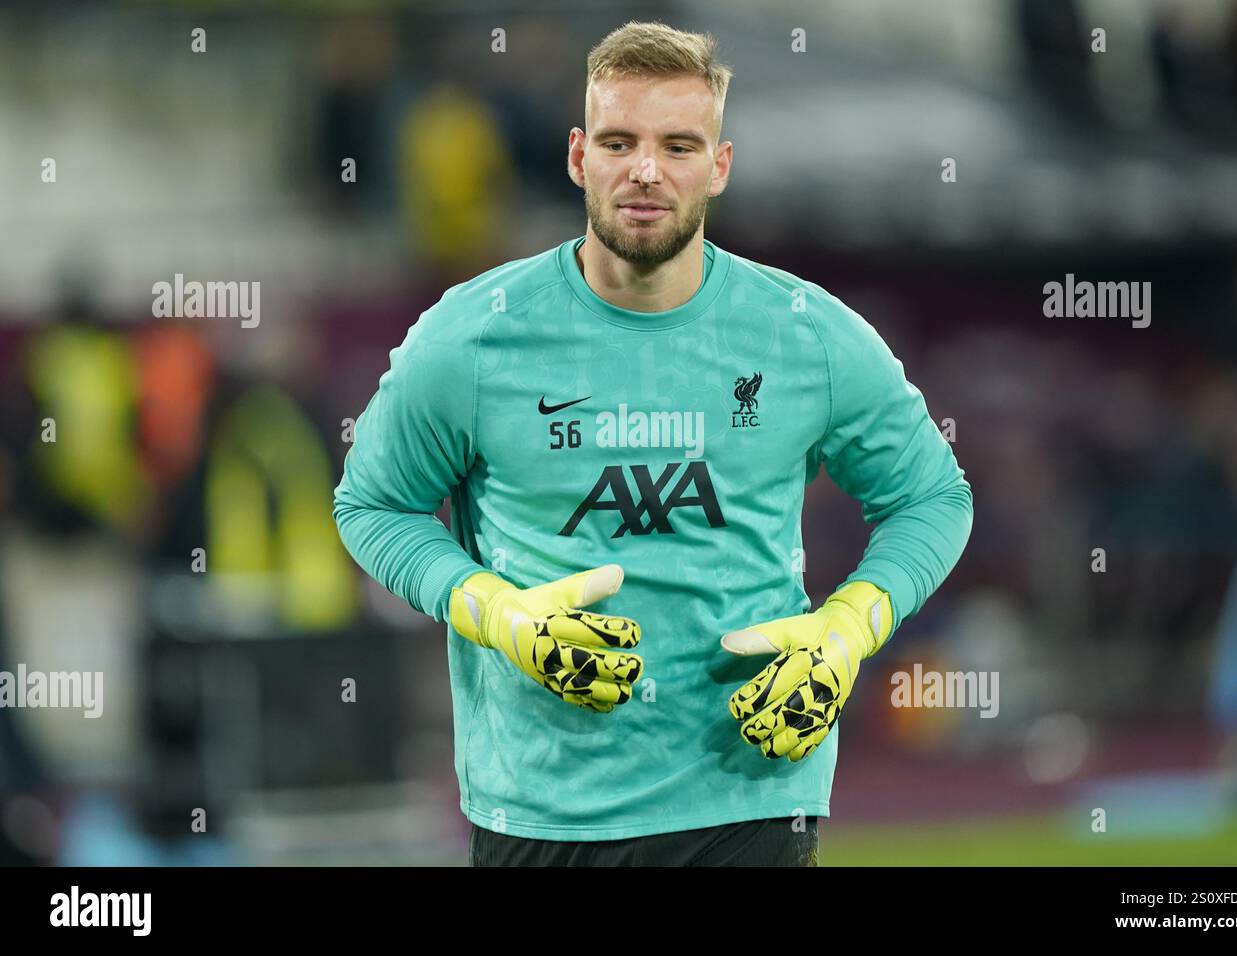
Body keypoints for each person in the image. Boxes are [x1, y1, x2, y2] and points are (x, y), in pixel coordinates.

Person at [333, 20, 973, 866]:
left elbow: (932, 498)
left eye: (678, 145)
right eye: (618, 141)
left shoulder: (806, 335)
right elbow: (373, 506)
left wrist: (849, 627)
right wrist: (499, 613)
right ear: (576, 156)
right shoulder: (472, 340)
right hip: (544, 814)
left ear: (720, 165)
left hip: (753, 801)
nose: (645, 170)